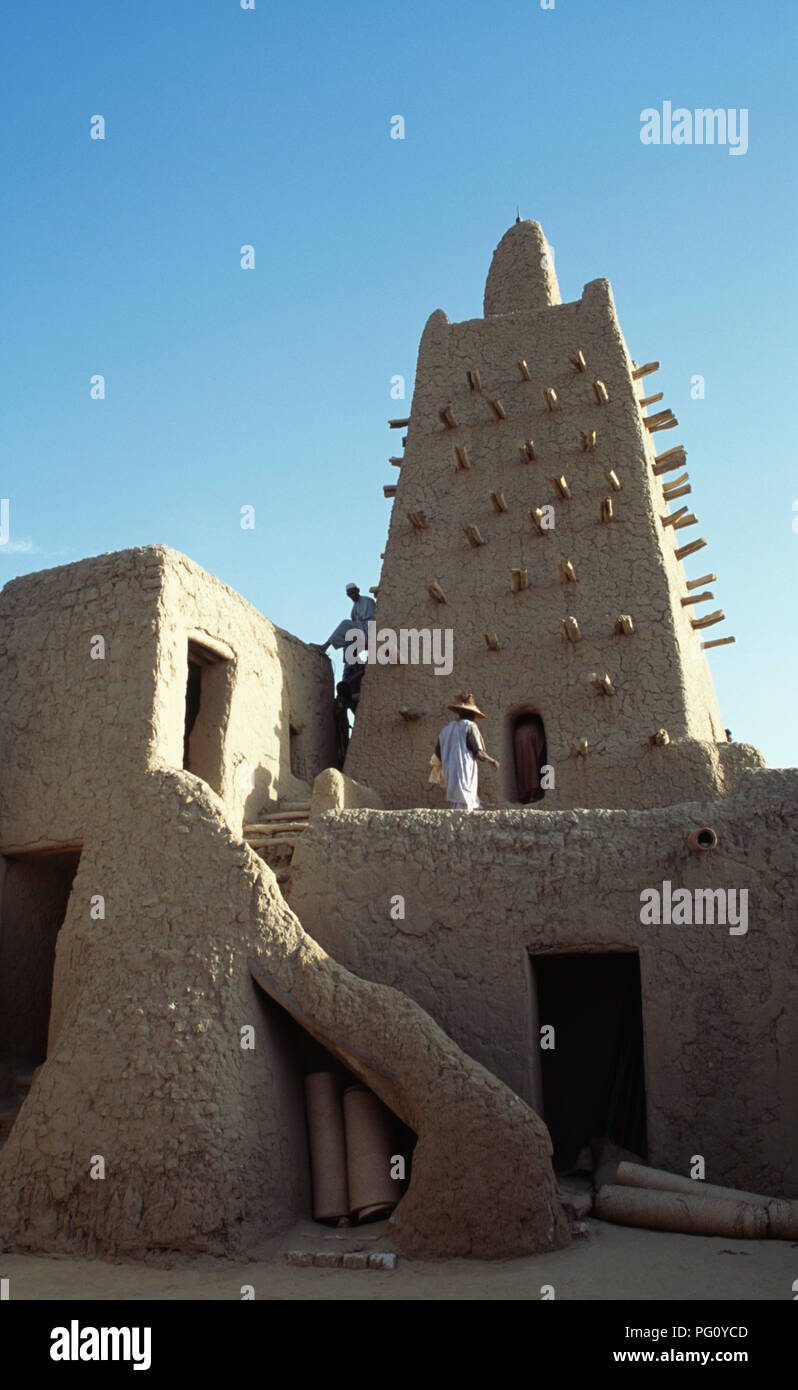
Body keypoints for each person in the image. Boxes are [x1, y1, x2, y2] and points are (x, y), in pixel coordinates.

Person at [435, 693, 499, 812]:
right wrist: (493, 761)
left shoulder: (446, 729)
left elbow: (438, 752)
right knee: (466, 798)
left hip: (449, 770)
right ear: (471, 714)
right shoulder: (470, 726)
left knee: (457, 801)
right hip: (465, 769)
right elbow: (479, 752)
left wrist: (449, 760)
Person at [317, 583, 376, 654]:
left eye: (353, 592)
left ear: (358, 591)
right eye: (350, 594)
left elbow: (373, 619)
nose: (352, 595)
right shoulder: (354, 608)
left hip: (370, 631)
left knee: (345, 623)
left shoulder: (367, 601)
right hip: (361, 631)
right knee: (347, 643)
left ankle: (325, 646)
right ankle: (352, 664)